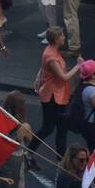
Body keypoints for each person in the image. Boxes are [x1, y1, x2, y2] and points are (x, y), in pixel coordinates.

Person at [34, 27, 75, 156]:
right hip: (53, 96)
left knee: (61, 128)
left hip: (57, 95)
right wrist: (79, 66)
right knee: (48, 128)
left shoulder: (52, 51)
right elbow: (63, 77)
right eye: (62, 36)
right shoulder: (51, 56)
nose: (64, 37)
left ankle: (61, 158)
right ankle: (30, 150)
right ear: (56, 39)